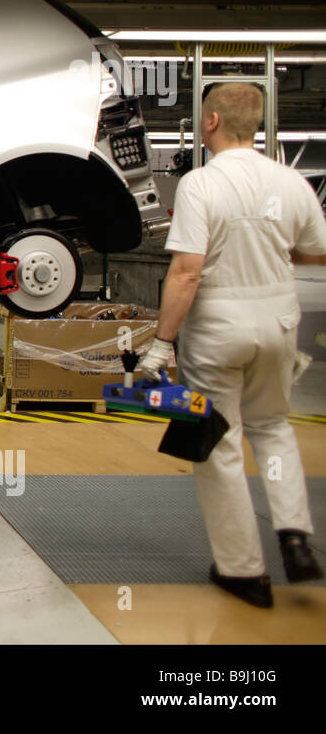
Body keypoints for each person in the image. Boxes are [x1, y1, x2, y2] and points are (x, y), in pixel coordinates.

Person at [140, 82, 326, 608]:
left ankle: (244, 571)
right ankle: (293, 534)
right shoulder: (292, 184)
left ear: (213, 121)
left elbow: (187, 271)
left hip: (220, 326)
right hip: (280, 320)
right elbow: (316, 253)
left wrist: (161, 346)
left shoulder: (201, 185)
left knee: (219, 444)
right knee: (272, 428)